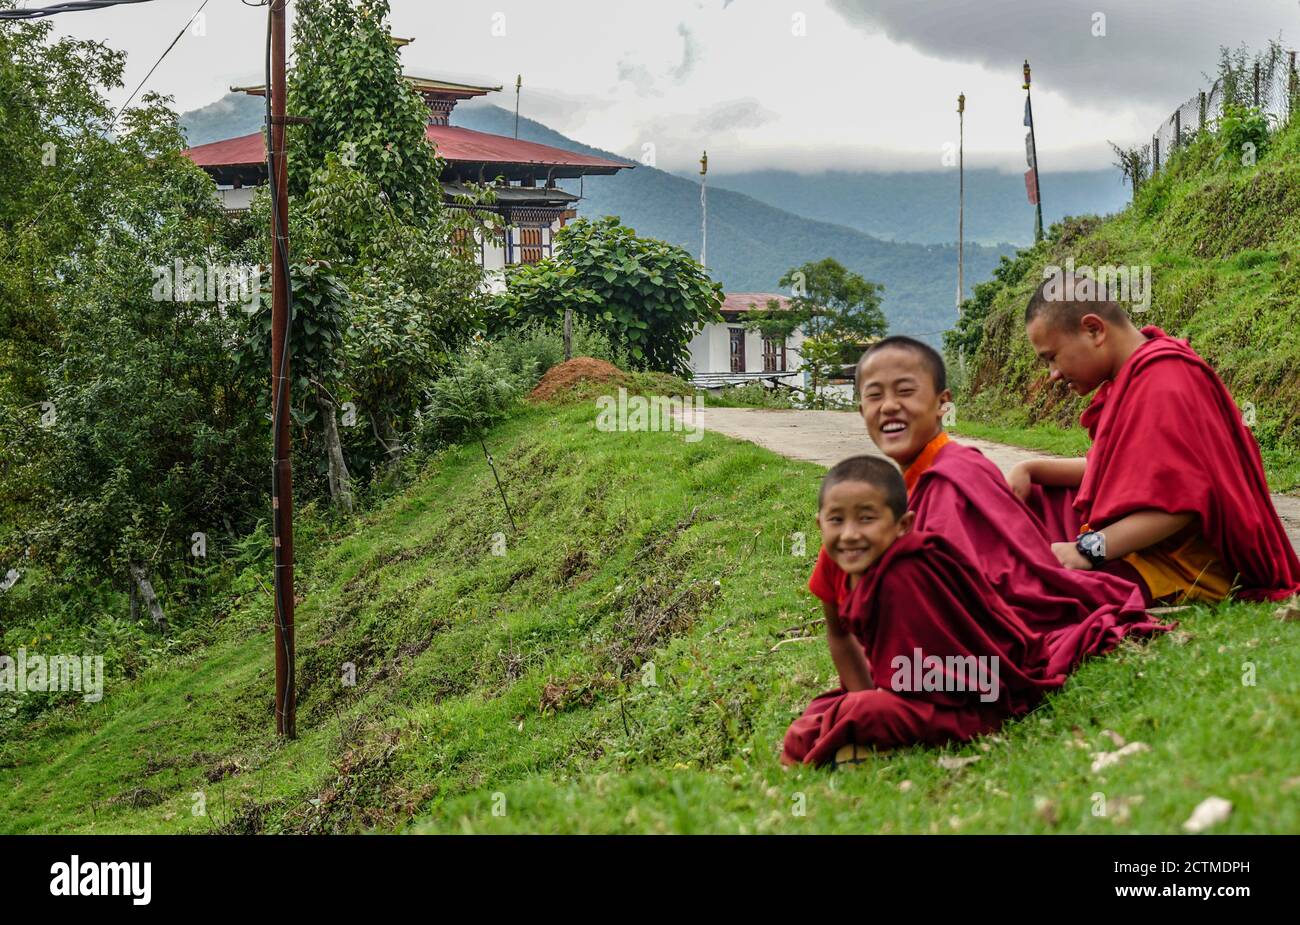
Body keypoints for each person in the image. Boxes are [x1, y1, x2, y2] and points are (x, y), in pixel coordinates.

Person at [783, 456, 1159, 768]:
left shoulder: (909, 572)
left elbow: (943, 673)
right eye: (836, 520)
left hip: (967, 693)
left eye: (867, 518)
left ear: (903, 527)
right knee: (823, 713)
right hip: (906, 683)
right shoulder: (836, 560)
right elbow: (839, 634)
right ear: (820, 525)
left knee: (855, 715)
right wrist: (862, 694)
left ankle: (870, 741)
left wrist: (873, 704)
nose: (850, 534)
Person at [809, 336, 1158, 647]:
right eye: (874, 395)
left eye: (905, 391)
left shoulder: (956, 477)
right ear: (861, 410)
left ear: (943, 403)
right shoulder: (907, 486)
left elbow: (976, 595)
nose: (888, 406)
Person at [1013, 274, 1300, 603]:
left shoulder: (1165, 382)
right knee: (1039, 499)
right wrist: (1031, 469)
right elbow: (1112, 470)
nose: (1053, 374)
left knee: (1043, 594)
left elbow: (1185, 503)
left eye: (1051, 357)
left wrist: (1088, 550)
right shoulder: (1133, 374)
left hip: (1186, 566)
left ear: (1093, 330)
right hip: (1144, 544)